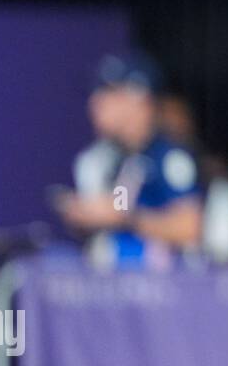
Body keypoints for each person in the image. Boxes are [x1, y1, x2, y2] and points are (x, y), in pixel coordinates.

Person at [56, 53, 204, 270]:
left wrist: (125, 219)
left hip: (167, 290)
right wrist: (85, 214)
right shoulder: (103, 160)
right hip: (116, 287)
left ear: (139, 99)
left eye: (109, 93)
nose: (95, 102)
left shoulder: (169, 157)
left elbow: (190, 226)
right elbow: (117, 210)